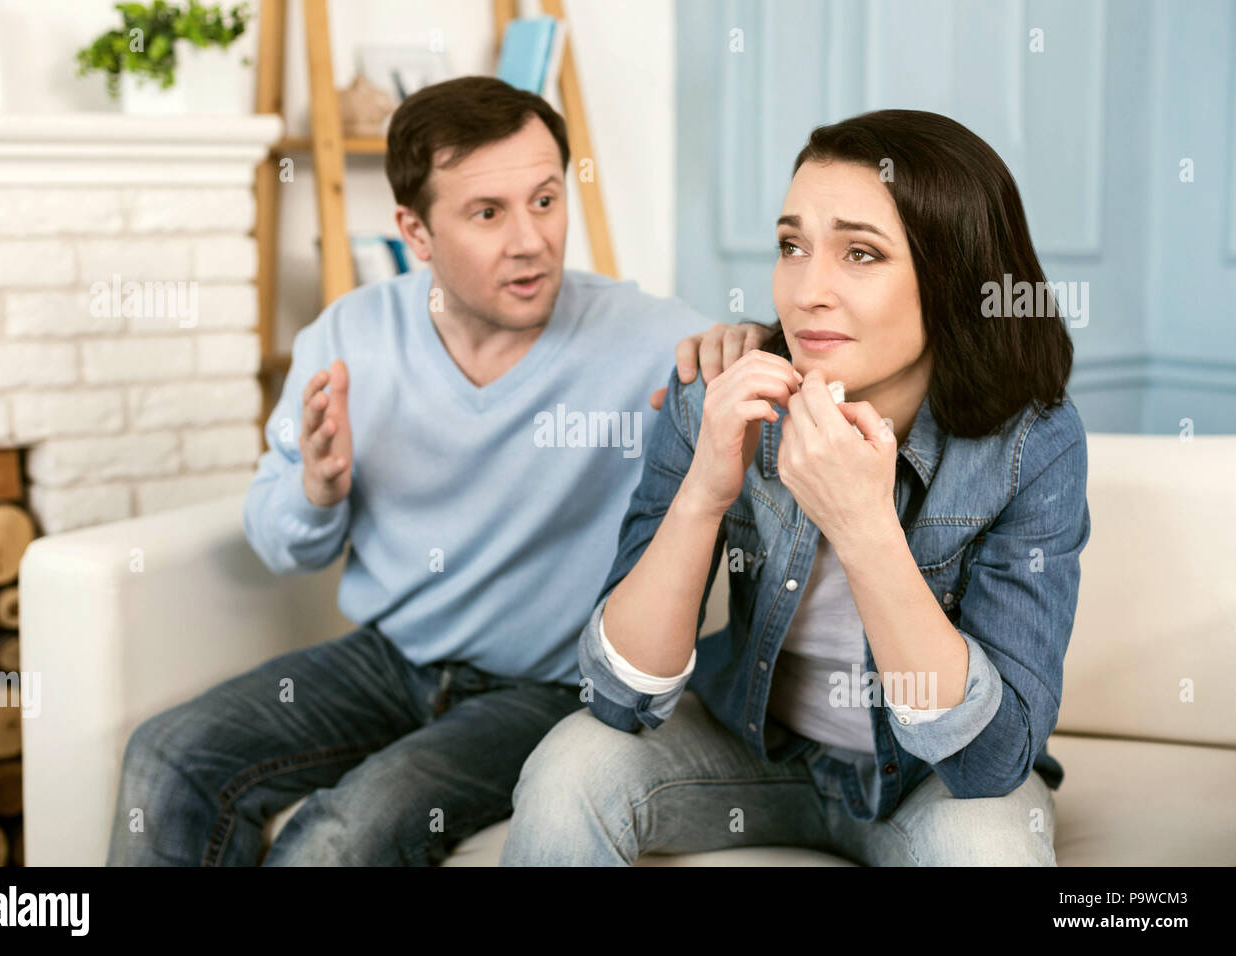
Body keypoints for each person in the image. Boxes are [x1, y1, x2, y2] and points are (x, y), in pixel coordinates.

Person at [105, 76, 771, 866]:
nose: (532, 239)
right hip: (390, 660)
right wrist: (316, 492)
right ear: (415, 233)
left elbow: (772, 362)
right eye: (488, 213)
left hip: (550, 691)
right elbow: (282, 546)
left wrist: (753, 342)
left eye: (546, 200)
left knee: (348, 831)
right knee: (169, 752)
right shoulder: (351, 335)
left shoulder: (650, 339)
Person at [501, 109, 1091, 866]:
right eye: (792, 246)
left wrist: (864, 527)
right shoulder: (721, 392)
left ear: (955, 278)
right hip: (754, 751)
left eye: (860, 254)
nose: (807, 291)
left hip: (931, 778)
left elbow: (987, 763)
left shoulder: (1033, 442)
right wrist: (705, 492)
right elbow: (619, 701)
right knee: (567, 770)